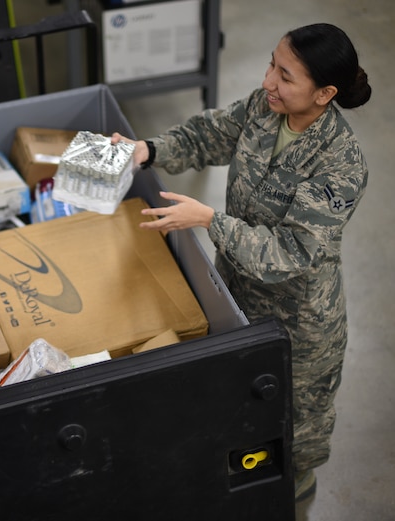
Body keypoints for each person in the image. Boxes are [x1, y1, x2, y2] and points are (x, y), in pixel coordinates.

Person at [113, 23, 371, 503]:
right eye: (272, 63)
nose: (269, 80)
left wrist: (210, 220)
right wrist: (147, 150)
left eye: (286, 75)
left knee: (295, 420)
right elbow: (208, 134)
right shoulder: (263, 107)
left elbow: (290, 253)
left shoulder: (341, 163)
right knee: (236, 399)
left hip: (298, 320)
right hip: (237, 293)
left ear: (325, 93)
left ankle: (295, 490)